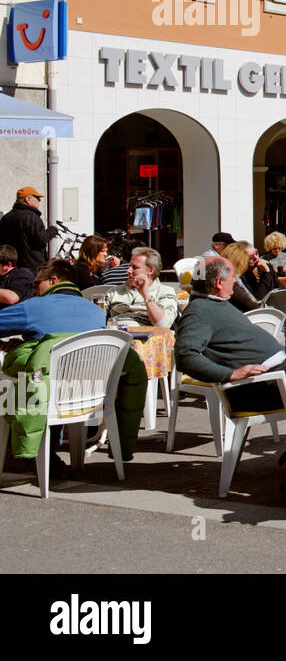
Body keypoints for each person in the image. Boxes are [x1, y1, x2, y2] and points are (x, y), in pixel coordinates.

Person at [0, 259, 146, 471]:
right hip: (88, 395)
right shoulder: (95, 310)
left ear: (53, 280)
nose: (33, 289)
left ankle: (23, 450)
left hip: (46, 394)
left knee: (18, 378)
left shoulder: (33, 307)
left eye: (36, 284)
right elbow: (66, 341)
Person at [174, 256, 286, 420]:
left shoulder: (215, 302)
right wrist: (231, 374)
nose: (235, 280)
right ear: (219, 283)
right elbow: (185, 356)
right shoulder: (198, 312)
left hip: (277, 375)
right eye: (232, 276)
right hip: (262, 385)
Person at [104, 247, 180, 329]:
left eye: (135, 267)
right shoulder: (114, 292)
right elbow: (97, 321)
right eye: (129, 266)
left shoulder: (165, 291)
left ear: (150, 270)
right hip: (115, 336)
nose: (128, 271)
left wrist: (146, 296)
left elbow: (163, 324)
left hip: (148, 337)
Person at [0, 187, 58, 274]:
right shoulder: (32, 217)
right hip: (32, 266)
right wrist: (52, 230)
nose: (39, 200)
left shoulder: (6, 217)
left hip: (11, 266)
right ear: (27, 199)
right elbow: (41, 239)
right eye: (37, 198)